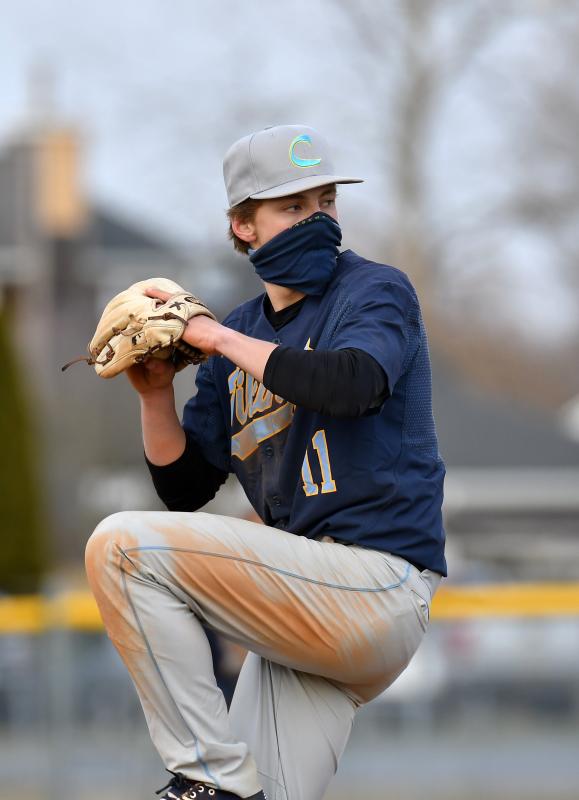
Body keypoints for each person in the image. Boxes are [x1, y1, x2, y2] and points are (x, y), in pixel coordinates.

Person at [85, 124, 447, 800]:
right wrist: (156, 396)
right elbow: (185, 488)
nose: (316, 219)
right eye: (292, 206)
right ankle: (224, 783)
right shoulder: (242, 332)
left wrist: (215, 338)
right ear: (242, 226)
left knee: (120, 546)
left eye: (325, 202)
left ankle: (202, 774)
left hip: (374, 584)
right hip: (300, 608)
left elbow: (352, 383)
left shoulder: (372, 291)